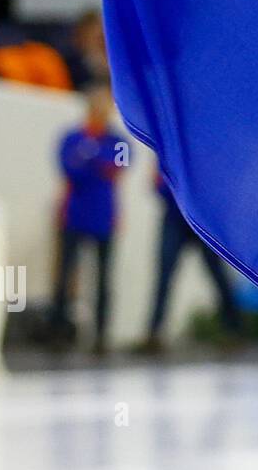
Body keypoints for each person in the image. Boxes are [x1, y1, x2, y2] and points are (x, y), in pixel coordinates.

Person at [47, 82, 129, 354]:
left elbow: (117, 167)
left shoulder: (117, 142)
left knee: (104, 279)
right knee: (65, 276)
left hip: (104, 216)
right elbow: (71, 169)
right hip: (73, 214)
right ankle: (58, 332)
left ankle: (101, 336)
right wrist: (95, 161)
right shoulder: (71, 137)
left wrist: (90, 158)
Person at [136, 165, 245, 354]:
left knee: (217, 275)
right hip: (175, 218)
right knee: (164, 276)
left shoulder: (203, 153)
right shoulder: (168, 149)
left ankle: (233, 329)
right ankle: (153, 333)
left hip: (202, 219)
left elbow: (219, 186)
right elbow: (157, 185)